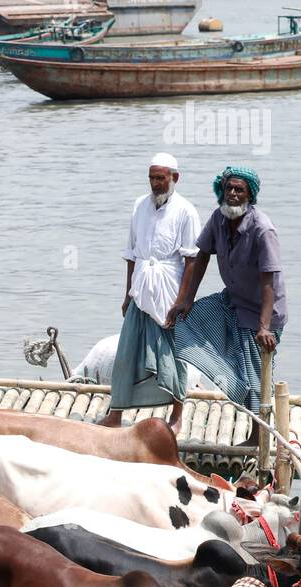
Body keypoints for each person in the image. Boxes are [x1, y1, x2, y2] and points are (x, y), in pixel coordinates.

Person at [167, 165, 287, 446]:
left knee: (257, 375)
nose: (232, 194)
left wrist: (264, 327)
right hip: (232, 300)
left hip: (262, 313)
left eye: (239, 190)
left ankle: (259, 437)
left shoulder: (262, 229)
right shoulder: (218, 219)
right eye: (228, 188)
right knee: (188, 322)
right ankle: (232, 383)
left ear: (250, 195)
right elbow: (201, 257)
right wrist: (186, 300)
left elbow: (269, 280)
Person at [102, 153, 200, 433]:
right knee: (127, 351)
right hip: (141, 286)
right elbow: (131, 254)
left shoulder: (186, 211)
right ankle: (116, 413)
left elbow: (192, 260)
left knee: (173, 353)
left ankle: (177, 414)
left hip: (170, 287)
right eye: (152, 178)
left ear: (174, 178)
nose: (156, 184)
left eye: (161, 178)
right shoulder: (139, 206)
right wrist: (127, 294)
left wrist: (183, 301)